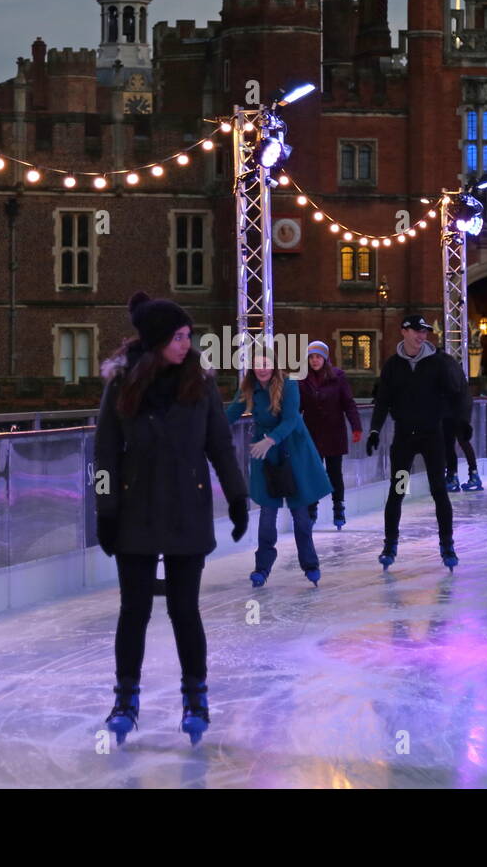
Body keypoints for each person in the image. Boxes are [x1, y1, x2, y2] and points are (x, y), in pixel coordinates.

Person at [94, 291, 248, 746]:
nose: (187, 343)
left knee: (185, 610)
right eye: (179, 336)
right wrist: (105, 510)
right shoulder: (123, 385)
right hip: (134, 512)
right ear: (158, 340)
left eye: (188, 336)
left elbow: (220, 444)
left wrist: (237, 497)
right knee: (134, 611)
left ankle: (195, 698)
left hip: (186, 509)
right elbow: (104, 454)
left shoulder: (199, 382)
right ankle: (125, 698)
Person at [226, 352, 333, 586]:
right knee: (267, 516)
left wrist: (271, 439)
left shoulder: (289, 385)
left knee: (301, 516)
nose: (262, 369)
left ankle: (310, 564)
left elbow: (291, 419)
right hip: (264, 455)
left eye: (266, 364)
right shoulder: (248, 389)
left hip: (292, 450)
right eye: (257, 365)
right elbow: (230, 416)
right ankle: (262, 568)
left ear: (274, 365)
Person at [365, 315, 462, 570]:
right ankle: (390, 544)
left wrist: (459, 424)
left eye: (425, 332)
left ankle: (447, 544)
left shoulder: (438, 363)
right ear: (404, 332)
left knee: (439, 491)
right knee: (397, 491)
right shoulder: (393, 366)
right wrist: (375, 430)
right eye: (417, 331)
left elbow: (456, 394)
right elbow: (383, 400)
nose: (422, 336)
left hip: (433, 437)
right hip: (404, 437)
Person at [298, 341, 362, 529]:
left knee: (334, 473)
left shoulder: (338, 377)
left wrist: (356, 427)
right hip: (312, 434)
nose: (314, 360)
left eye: (318, 356)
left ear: (325, 358)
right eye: (311, 357)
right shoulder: (302, 379)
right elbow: (296, 407)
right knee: (313, 472)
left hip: (334, 432)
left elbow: (348, 403)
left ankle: (338, 507)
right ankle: (312, 507)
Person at [436, 344, 483, 493]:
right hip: (458, 408)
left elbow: (452, 388)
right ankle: (464, 475)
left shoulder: (444, 365)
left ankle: (455, 476)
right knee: (457, 442)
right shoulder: (449, 363)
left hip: (455, 409)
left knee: (451, 443)